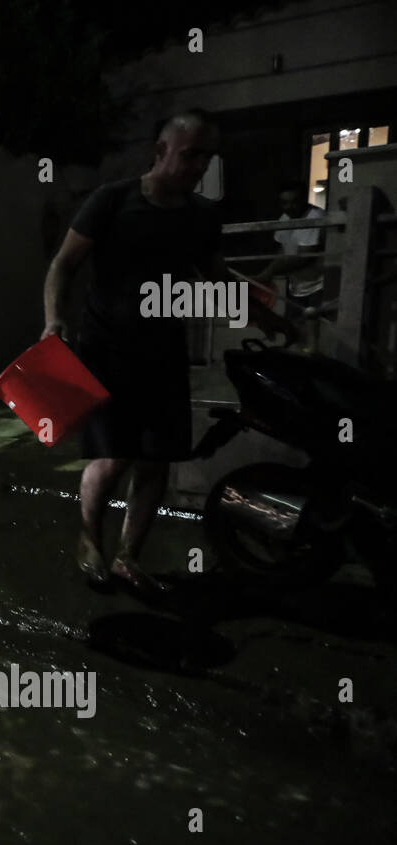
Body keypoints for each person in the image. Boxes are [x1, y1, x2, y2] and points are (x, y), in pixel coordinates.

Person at [42, 108, 275, 595]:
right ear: (160, 151)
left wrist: (267, 314)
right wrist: (53, 322)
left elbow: (215, 278)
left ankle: (129, 558)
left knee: (157, 460)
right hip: (106, 349)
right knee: (112, 458)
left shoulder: (200, 217)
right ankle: (89, 538)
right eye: (191, 154)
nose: (198, 166)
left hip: (165, 353)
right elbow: (63, 264)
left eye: (207, 157)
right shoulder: (111, 201)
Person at [255, 181, 326, 352]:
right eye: (285, 203)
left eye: (295, 201)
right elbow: (282, 250)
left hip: (319, 286)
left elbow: (304, 257)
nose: (290, 207)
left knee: (315, 340)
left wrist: (269, 271)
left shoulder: (315, 216)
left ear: (304, 199)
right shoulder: (284, 219)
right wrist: (270, 273)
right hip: (295, 286)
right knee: (295, 333)